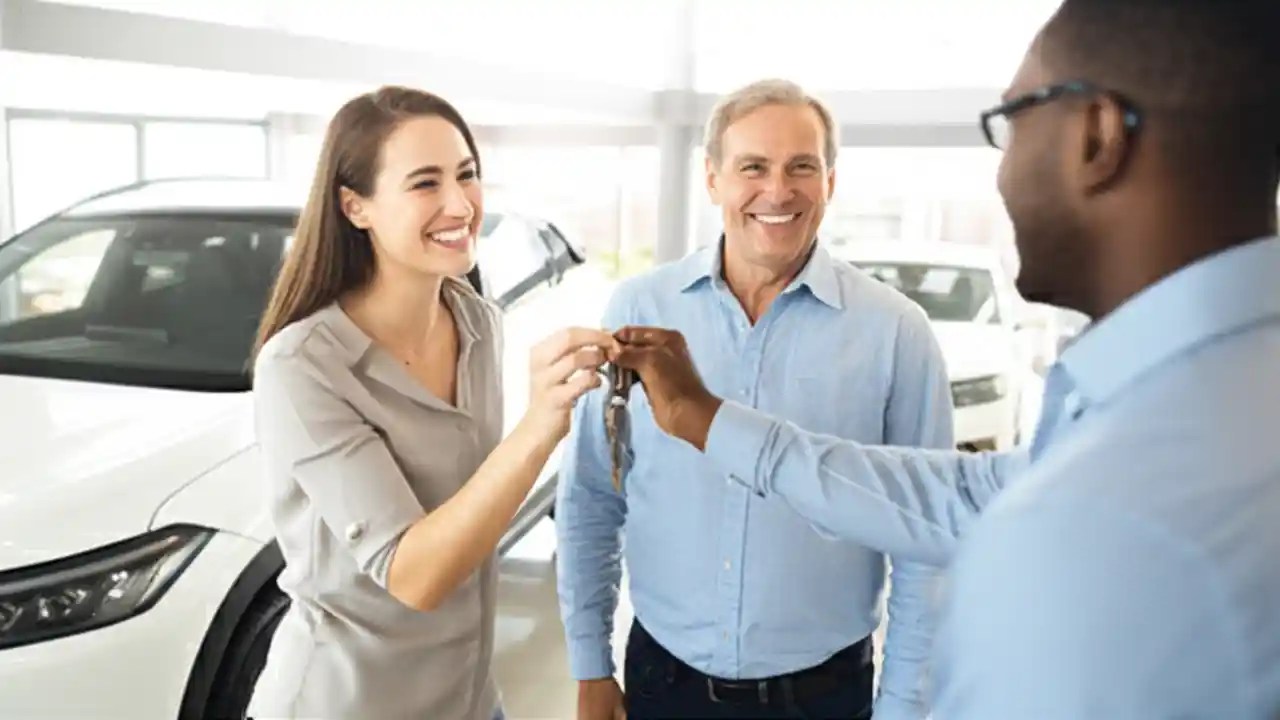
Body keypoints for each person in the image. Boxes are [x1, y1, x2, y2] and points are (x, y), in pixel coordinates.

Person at [609, 0, 1280, 717]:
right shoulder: (1209, 403)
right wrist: (709, 419)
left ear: (1096, 135)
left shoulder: (1101, 516)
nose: (1000, 175)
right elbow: (954, 499)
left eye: (1012, 122)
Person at [557, 79, 954, 720]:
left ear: (830, 180)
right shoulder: (638, 310)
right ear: (712, 179)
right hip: (661, 684)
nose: (778, 190)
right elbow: (591, 497)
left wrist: (905, 706)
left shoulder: (895, 332)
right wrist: (590, 667)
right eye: (753, 168)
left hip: (824, 698)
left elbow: (923, 540)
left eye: (802, 167)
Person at [246, 86, 617, 720]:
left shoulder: (475, 319)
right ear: (355, 206)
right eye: (424, 183)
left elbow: (476, 510)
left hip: (469, 699)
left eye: (467, 175)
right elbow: (413, 576)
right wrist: (539, 425)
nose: (459, 204)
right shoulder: (302, 367)